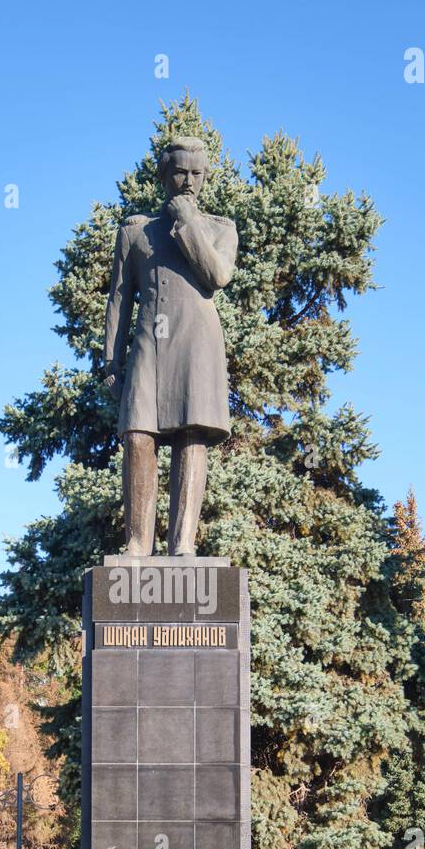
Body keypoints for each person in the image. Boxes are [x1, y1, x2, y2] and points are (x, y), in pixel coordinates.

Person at [104, 136, 238, 556]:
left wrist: (188, 223)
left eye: (196, 173)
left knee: (190, 434)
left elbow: (217, 276)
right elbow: (119, 299)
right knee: (137, 435)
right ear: (164, 175)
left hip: (197, 344)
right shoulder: (135, 232)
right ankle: (137, 542)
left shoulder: (220, 229)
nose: (188, 181)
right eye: (180, 172)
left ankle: (183, 543)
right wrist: (111, 361)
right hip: (149, 343)